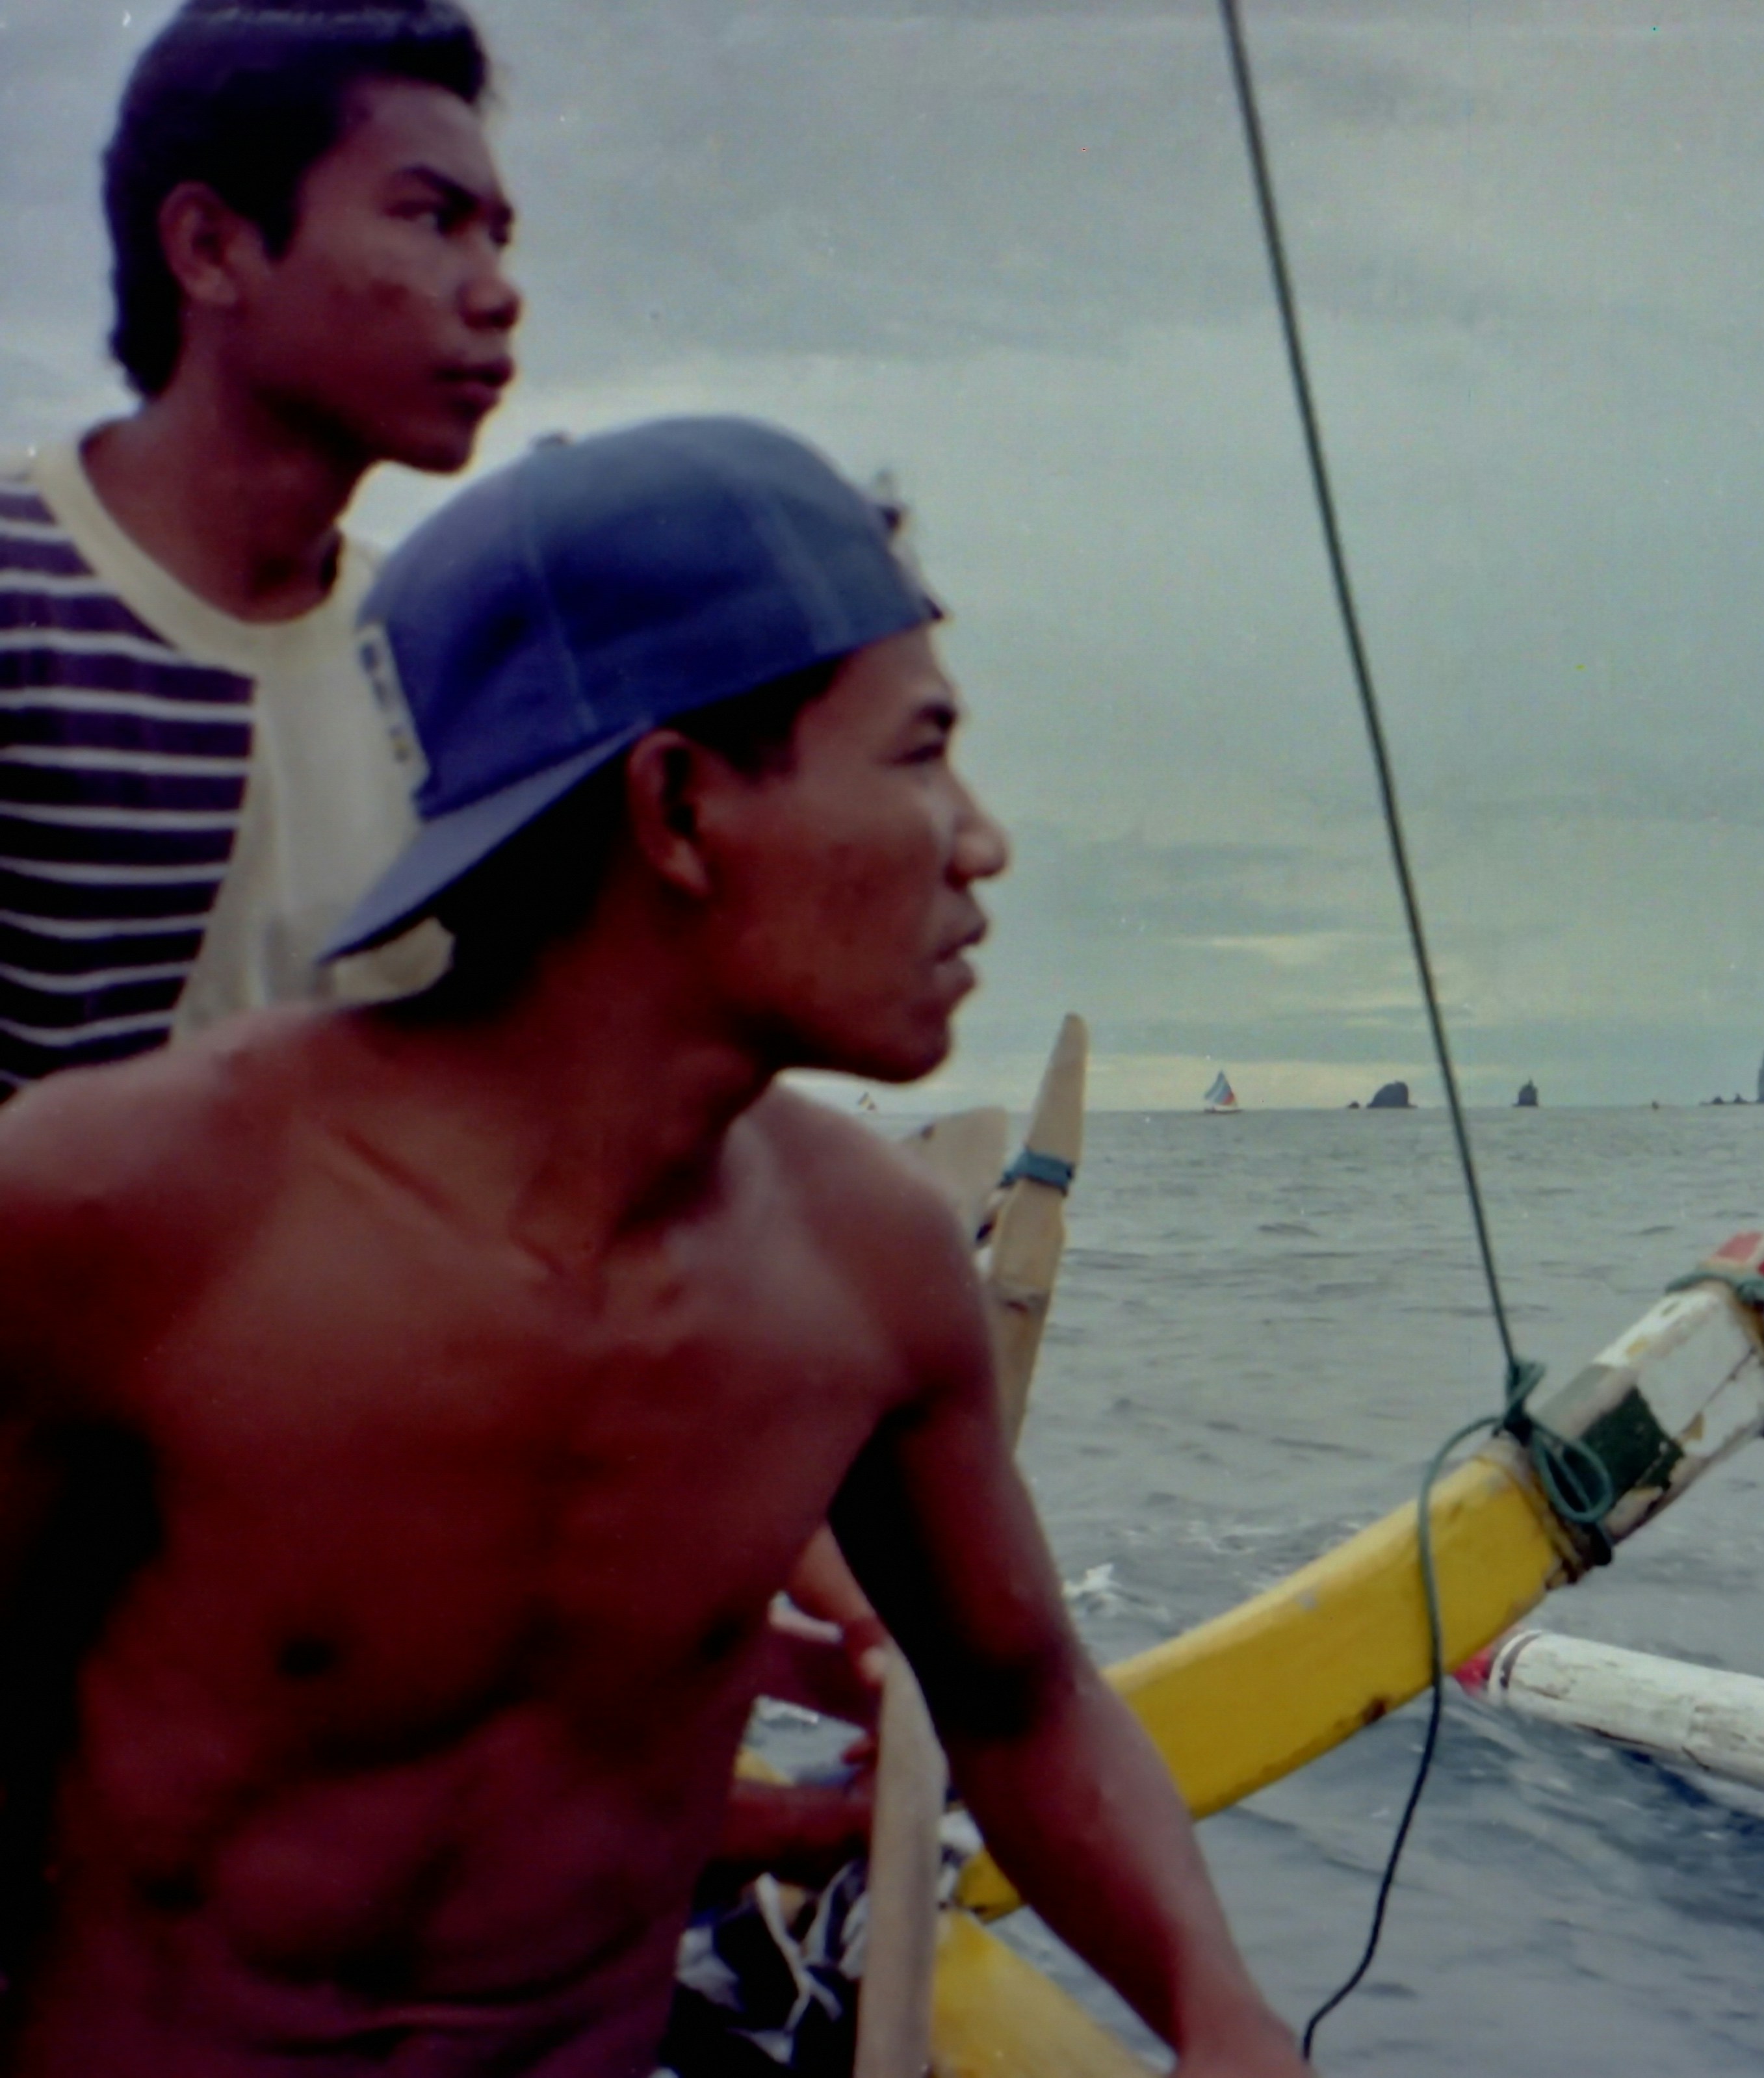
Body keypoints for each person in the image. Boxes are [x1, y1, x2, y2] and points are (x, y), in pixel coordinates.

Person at [0, 415, 1311, 2075]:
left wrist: (1216, 2005)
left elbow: (1020, 1695)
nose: (979, 843)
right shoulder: (122, 1219)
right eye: (918, 756)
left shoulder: (873, 1271)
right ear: (679, 809)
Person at [3, 0, 523, 1097]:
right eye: (431, 218)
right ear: (211, 246)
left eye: (497, 236)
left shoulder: (436, 656)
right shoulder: (23, 590)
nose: (494, 292)